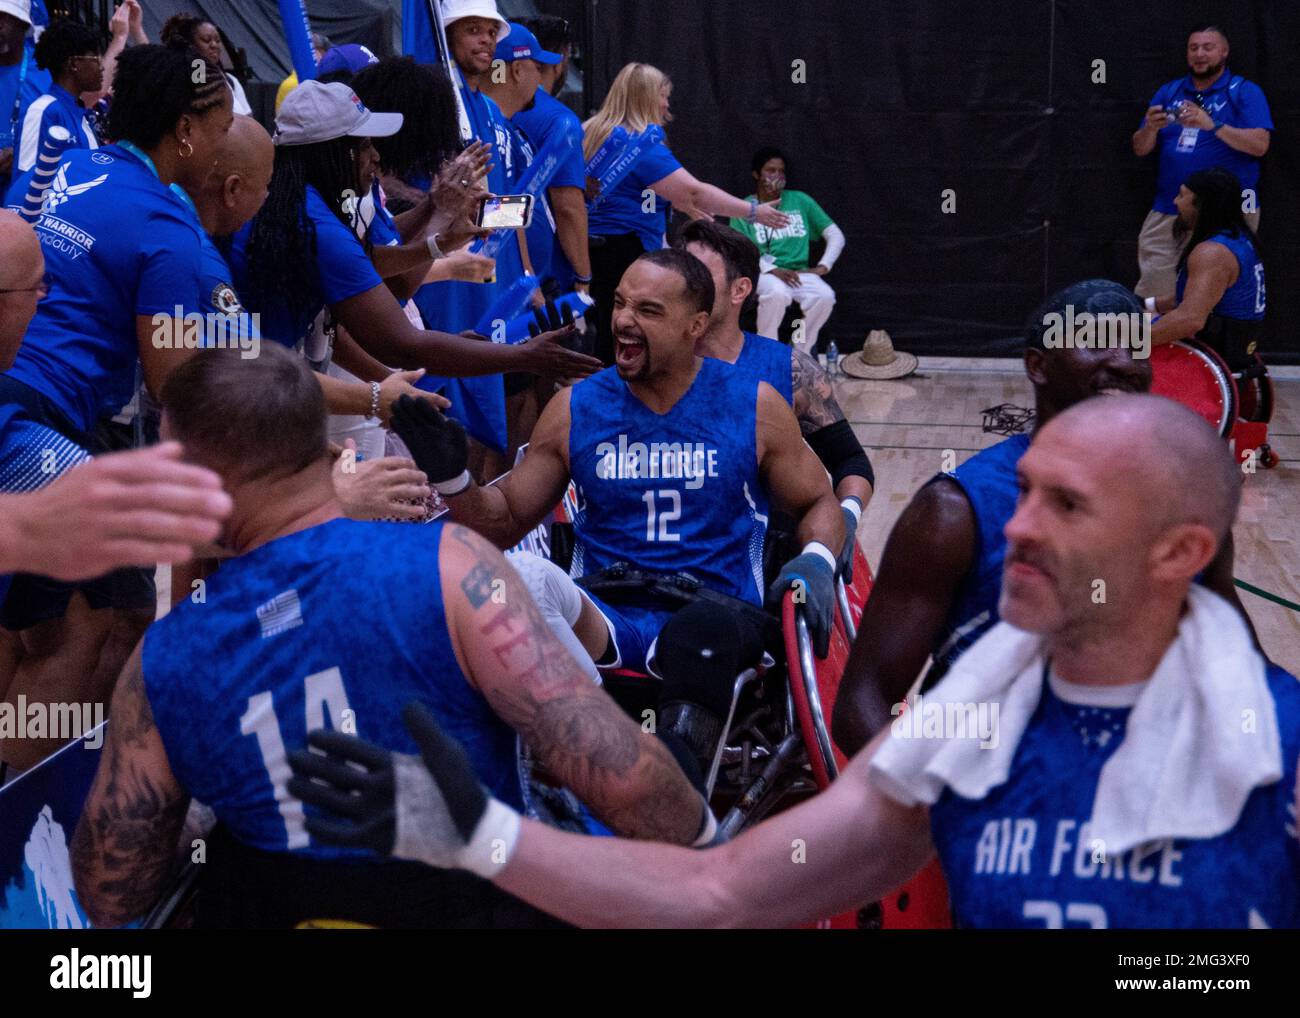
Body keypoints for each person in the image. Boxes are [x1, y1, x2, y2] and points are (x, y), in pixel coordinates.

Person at [294, 393, 1300, 930]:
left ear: (1179, 554)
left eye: (1067, 506)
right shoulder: (967, 728)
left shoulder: (1278, 746)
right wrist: (481, 835)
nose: (1018, 526)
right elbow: (719, 891)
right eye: (1025, 489)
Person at [69, 344, 710, 929]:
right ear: (326, 454)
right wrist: (715, 857)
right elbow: (625, 781)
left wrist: (209, 806)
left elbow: (110, 892)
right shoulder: (452, 565)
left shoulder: (166, 658)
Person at [392, 249, 844, 778]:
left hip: (716, 614)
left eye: (649, 311)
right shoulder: (576, 407)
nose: (625, 320)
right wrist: (454, 480)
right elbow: (503, 520)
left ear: (696, 325)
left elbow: (818, 501)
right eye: (621, 303)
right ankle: (586, 755)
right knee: (523, 577)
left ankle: (673, 794)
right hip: (606, 620)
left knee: (700, 629)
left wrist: (816, 556)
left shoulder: (754, 404)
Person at [831, 280, 1254, 754]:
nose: (1119, 360)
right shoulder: (952, 512)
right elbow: (862, 705)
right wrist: (937, 818)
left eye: (1133, 344)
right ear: (1038, 365)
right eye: (1095, 341)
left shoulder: (1186, 501)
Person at [0, 42, 232, 769]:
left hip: (30, 405)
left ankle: (58, 780)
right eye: (222, 124)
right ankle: (29, 828)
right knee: (85, 624)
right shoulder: (166, 226)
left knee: (62, 618)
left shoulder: (80, 166)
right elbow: (172, 380)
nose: (225, 145)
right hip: (29, 418)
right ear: (188, 131)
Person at [230, 80, 599, 400]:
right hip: (250, 389)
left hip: (257, 380)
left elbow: (352, 301)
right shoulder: (317, 226)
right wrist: (524, 356)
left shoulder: (304, 205)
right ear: (335, 153)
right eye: (364, 146)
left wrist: (435, 212)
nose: (376, 157)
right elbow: (402, 341)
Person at [0, 210, 231, 585]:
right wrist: (328, 492)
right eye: (38, 288)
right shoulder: (15, 442)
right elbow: (146, 520)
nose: (42, 303)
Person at [675, 218, 873, 579]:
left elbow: (851, 461)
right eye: (681, 270)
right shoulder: (656, 364)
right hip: (675, 554)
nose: (682, 283)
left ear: (740, 290)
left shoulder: (791, 369)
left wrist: (845, 516)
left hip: (767, 562)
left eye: (698, 272)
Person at [583, 63, 788, 364]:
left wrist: (682, 204)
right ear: (645, 97)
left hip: (592, 251)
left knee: (608, 329)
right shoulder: (639, 144)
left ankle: (606, 398)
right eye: (663, 96)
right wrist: (753, 211)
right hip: (625, 250)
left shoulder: (590, 131)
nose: (666, 104)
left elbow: (629, 190)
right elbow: (693, 191)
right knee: (632, 333)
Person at [1131, 24, 1271, 299]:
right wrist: (1150, 128)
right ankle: (1161, 339)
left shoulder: (1244, 91)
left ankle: (1208, 341)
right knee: (1157, 288)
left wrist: (1212, 125)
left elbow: (1260, 146)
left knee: (1216, 290)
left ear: (1224, 52)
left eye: (1208, 47)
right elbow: (1140, 149)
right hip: (1170, 205)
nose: (1199, 54)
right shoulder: (1169, 91)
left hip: (1233, 207)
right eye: (1193, 48)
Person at [729, 147, 844, 354]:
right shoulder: (745, 207)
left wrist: (823, 266)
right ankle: (768, 351)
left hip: (798, 273)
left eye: (780, 171)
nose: (776, 176)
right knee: (776, 293)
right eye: (770, 170)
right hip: (762, 272)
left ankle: (800, 351)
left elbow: (836, 235)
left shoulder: (800, 200)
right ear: (756, 174)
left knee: (825, 295)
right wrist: (773, 270)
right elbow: (741, 251)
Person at [1149, 167, 1264, 364]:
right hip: (1235, 349)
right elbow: (1201, 295)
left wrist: (1126, 340)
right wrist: (1146, 304)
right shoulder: (1239, 239)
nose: (1176, 201)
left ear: (1202, 204)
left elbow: (1190, 321)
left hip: (1211, 357)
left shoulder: (1212, 252)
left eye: (1182, 195)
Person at [514, 15, 591, 296]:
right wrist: (584, 274)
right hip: (546, 277)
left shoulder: (490, 109)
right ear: (561, 60)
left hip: (503, 265)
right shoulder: (561, 121)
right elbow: (568, 206)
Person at [14, 17, 100, 175]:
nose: (101, 66)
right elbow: (25, 179)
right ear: (74, 64)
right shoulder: (42, 111)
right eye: (95, 58)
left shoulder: (80, 113)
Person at [0, 0, 51, 194]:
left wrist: (26, 154)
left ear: (23, 24)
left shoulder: (48, 71)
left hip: (30, 197)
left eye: (5, 17)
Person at [160, 13, 251, 116]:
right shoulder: (193, 72)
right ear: (190, 45)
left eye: (217, 41)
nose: (214, 45)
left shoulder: (231, 80)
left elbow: (249, 119)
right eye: (206, 40)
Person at [275, 31, 330, 114]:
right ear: (315, 54)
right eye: (324, 54)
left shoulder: (313, 79)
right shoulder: (296, 84)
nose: (327, 58)